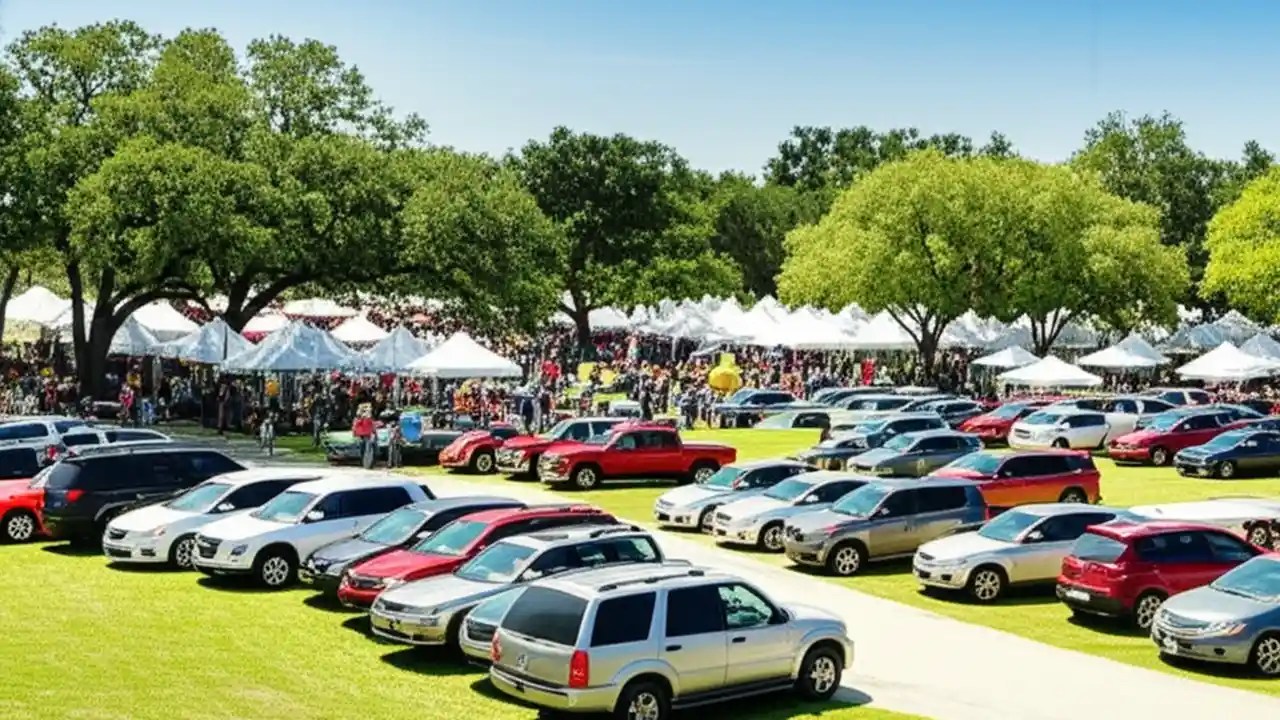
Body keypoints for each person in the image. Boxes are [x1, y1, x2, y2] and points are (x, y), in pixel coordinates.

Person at [352, 404, 376, 469]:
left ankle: (368, 464)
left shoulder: (369, 418)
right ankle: (363, 462)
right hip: (361, 435)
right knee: (362, 449)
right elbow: (355, 425)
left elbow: (372, 425)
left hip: (368, 435)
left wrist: (374, 432)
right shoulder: (359, 417)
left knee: (368, 450)